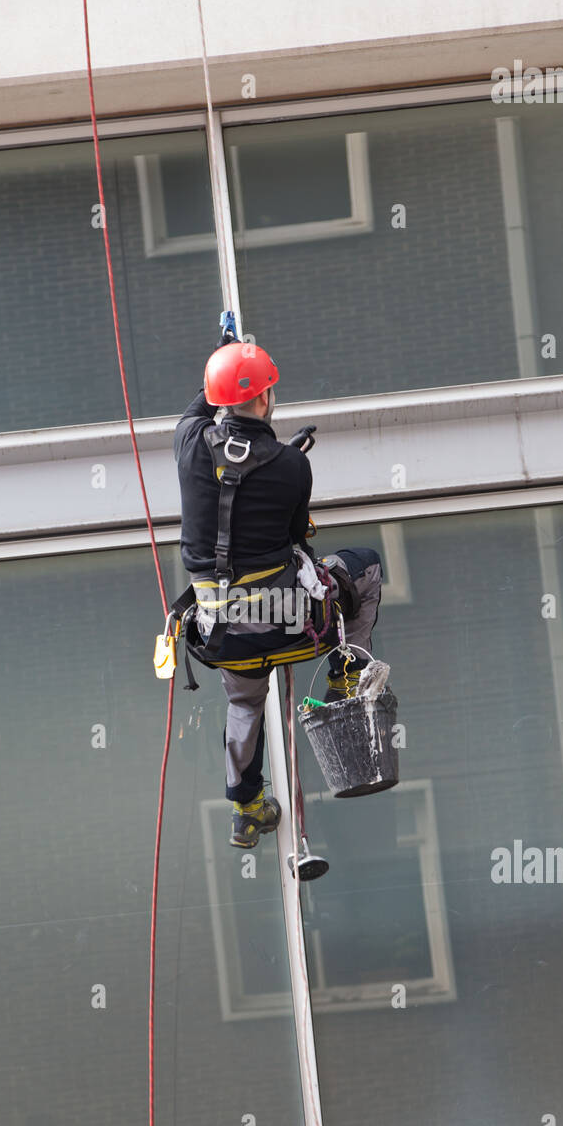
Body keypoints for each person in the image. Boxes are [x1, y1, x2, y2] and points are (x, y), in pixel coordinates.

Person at [173, 329, 383, 849]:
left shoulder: (188, 443)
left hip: (224, 636)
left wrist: (224, 355)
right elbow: (293, 540)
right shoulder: (293, 467)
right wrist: (283, 459)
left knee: (244, 704)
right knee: (363, 569)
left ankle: (247, 809)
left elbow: (199, 409)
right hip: (289, 622)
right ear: (267, 397)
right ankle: (345, 677)